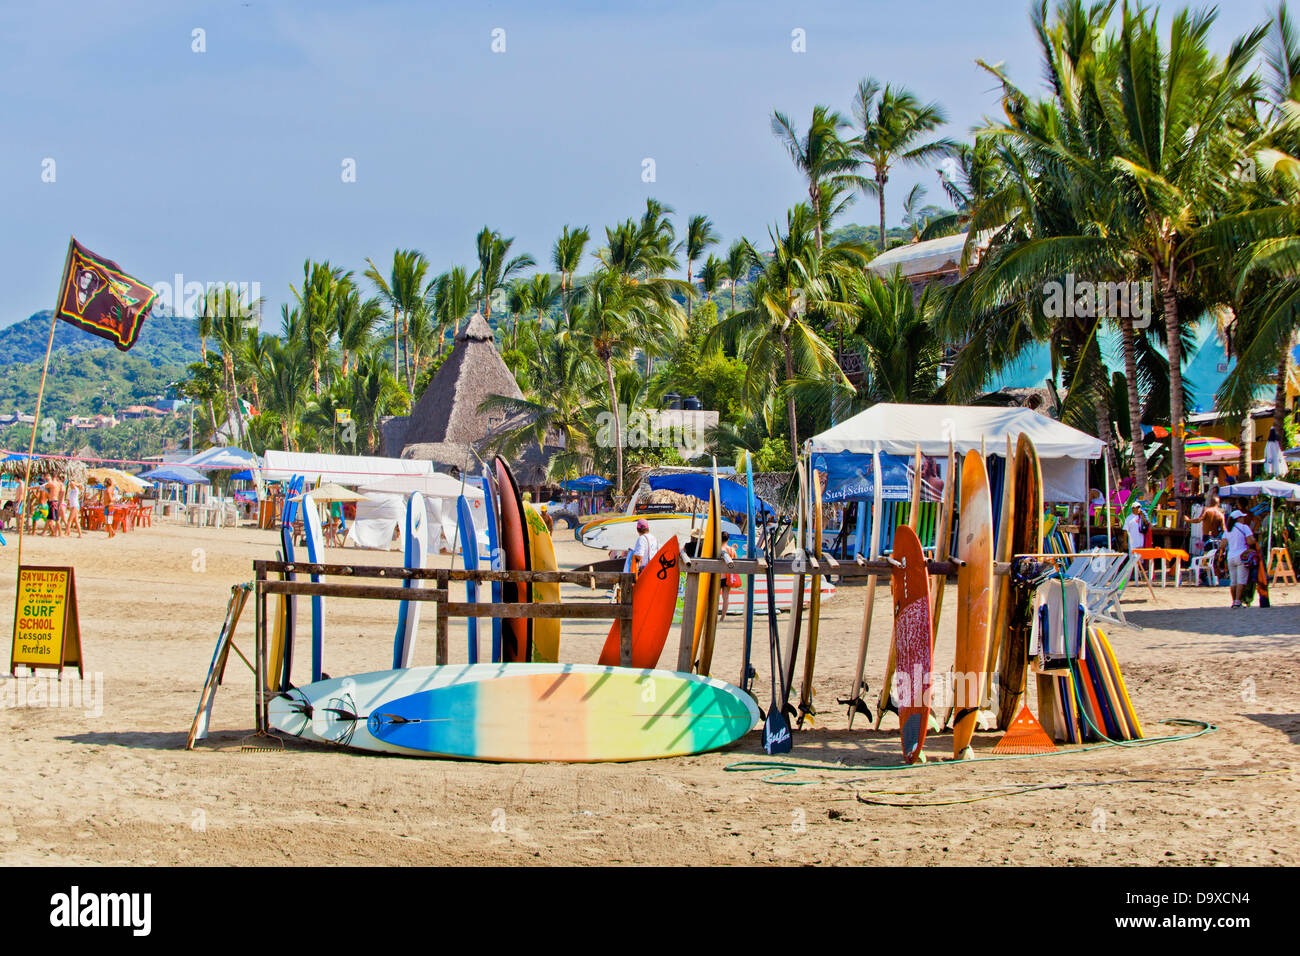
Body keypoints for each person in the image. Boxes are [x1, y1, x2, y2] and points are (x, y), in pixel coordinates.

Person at [1225, 509, 1256, 608]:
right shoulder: (1244, 527)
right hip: (1242, 556)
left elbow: (1222, 544)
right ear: (1238, 519)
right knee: (1241, 580)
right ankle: (1238, 601)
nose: (1243, 518)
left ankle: (1234, 601)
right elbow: (1251, 541)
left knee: (1233, 581)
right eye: (1242, 517)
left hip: (1230, 557)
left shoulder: (1228, 530)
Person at [718, 530, 739, 620]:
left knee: (715, 598)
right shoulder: (731, 549)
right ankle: (722, 617)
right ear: (728, 539)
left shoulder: (718, 549)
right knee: (725, 597)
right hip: (728, 576)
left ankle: (714, 614)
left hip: (719, 576)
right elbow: (736, 559)